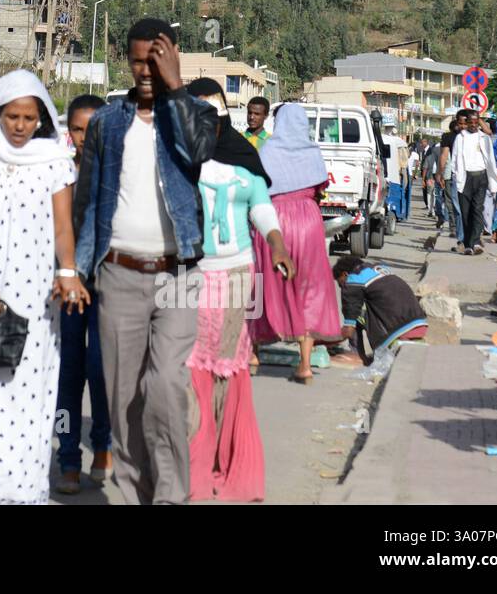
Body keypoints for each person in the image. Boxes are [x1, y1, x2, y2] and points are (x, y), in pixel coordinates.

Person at [73, 18, 220, 506]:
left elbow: (199, 152)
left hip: (177, 272)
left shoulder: (195, 112)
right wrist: (78, 268)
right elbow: (89, 200)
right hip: (118, 272)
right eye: (138, 61)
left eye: (155, 61)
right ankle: (137, 495)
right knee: (123, 400)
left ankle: (172, 496)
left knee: (164, 385)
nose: (145, 71)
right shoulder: (106, 122)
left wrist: (176, 85)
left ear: (172, 57)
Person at [0, 70, 87, 504]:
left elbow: (64, 228)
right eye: (11, 116)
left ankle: (23, 494)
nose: (20, 125)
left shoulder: (54, 163)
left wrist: (68, 271)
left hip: (33, 299)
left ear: (41, 117)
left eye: (29, 117)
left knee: (26, 403)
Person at [183, 79, 293, 503]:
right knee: (189, 369)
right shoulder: (176, 158)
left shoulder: (242, 157)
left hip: (232, 275)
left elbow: (262, 207)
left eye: (212, 116)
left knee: (225, 367)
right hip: (184, 276)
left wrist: (278, 245)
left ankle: (229, 465)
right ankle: (194, 464)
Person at [251, 102, 340, 384]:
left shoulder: (268, 151)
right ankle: (304, 366)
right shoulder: (313, 153)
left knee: (263, 283)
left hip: (275, 219)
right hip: (308, 222)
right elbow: (318, 191)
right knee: (309, 288)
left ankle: (252, 354)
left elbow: (257, 188)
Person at [54, 93, 112, 495]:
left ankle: (103, 445)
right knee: (67, 374)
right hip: (66, 288)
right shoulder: (57, 174)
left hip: (108, 289)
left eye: (92, 130)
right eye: (76, 129)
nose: (83, 137)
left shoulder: (117, 177)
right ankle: (69, 458)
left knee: (100, 371)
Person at [333, 258, 427, 364]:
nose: (341, 287)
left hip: (397, 330)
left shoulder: (353, 279)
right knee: (365, 311)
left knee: (355, 317)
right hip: (419, 323)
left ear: (345, 274)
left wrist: (324, 341)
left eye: (340, 283)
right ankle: (363, 355)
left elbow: (349, 329)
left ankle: (356, 356)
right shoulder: (379, 270)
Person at [451, 109, 497, 256]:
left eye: (475, 122)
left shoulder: (484, 138)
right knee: (465, 212)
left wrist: (493, 181)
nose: (473, 125)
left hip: (481, 177)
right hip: (465, 178)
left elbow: (491, 160)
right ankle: (467, 244)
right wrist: (456, 176)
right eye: (470, 122)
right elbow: (455, 159)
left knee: (477, 209)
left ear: (478, 122)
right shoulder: (460, 138)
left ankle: (476, 243)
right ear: (466, 123)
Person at [438, 116, 463, 243]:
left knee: (451, 202)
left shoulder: (447, 137)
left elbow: (444, 156)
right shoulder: (467, 137)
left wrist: (439, 173)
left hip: (450, 174)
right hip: (466, 175)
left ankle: (454, 228)